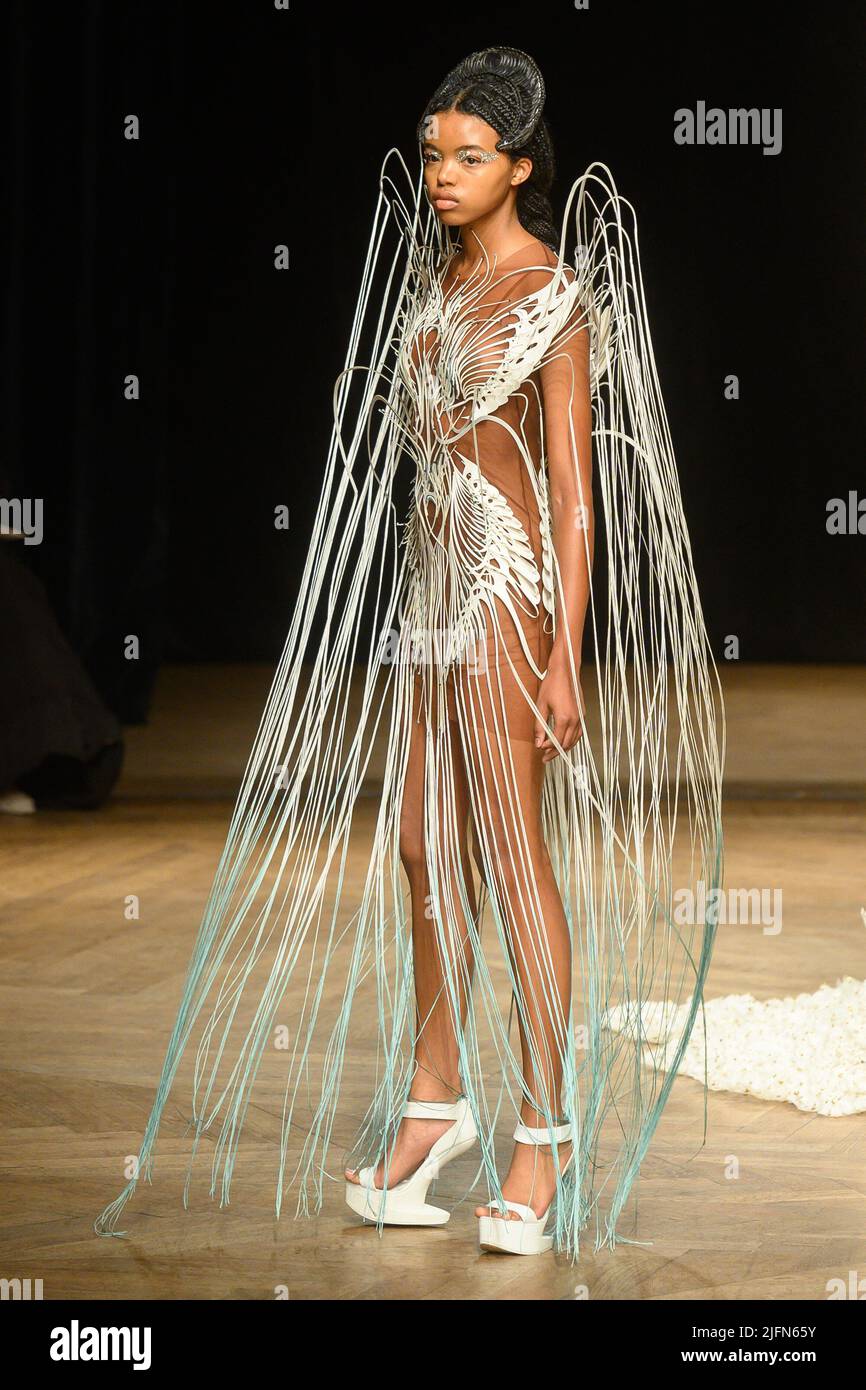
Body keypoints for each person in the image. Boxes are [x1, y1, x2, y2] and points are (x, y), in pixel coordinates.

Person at [96, 47, 724, 1261]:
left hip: (505, 589)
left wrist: (564, 655)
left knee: (505, 839)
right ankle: (439, 1100)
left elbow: (574, 490)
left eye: (468, 158)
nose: (441, 175)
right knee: (421, 838)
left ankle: (545, 1128)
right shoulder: (436, 287)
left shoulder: (552, 293)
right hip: (427, 594)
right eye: (432, 155)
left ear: (520, 168)